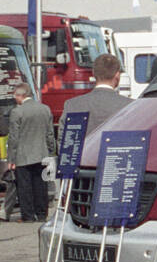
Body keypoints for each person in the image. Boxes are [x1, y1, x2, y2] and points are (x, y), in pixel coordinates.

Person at [7, 83, 55, 222]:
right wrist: (51, 151)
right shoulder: (45, 109)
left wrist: (11, 159)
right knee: (41, 186)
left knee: (25, 187)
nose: (14, 98)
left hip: (23, 156)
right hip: (41, 154)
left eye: (15, 95)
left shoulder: (17, 112)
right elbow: (49, 133)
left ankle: (28, 216)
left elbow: (14, 138)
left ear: (21, 96)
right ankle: (41, 214)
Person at [63, 52, 132, 136]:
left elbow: (64, 141)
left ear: (93, 73)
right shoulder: (130, 106)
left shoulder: (72, 105)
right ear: (117, 76)